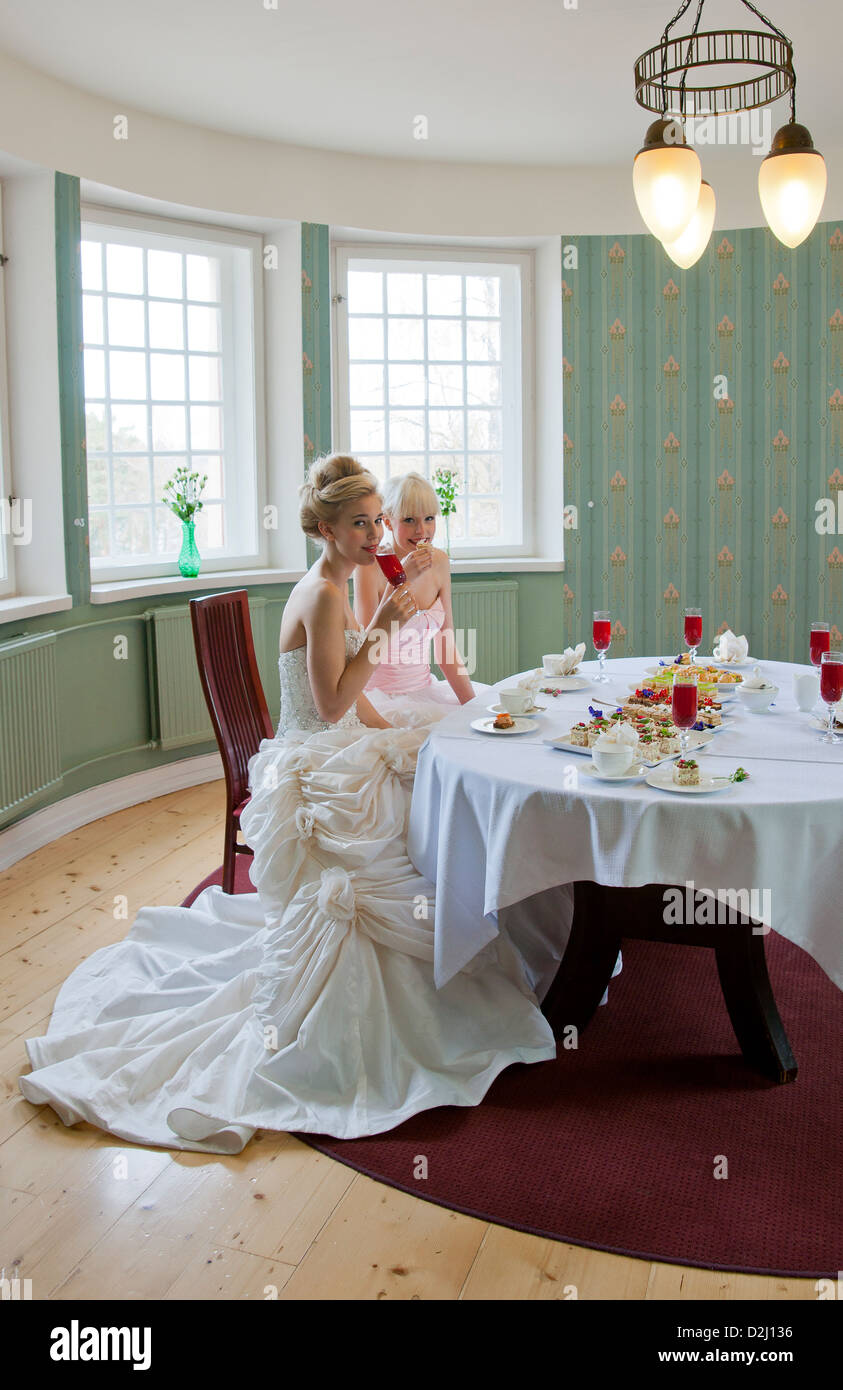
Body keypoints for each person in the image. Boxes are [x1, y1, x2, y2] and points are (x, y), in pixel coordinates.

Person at [18, 454, 558, 1154]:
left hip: (333, 739)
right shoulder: (329, 593)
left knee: (429, 769)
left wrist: (392, 722)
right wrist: (391, 628)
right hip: (317, 757)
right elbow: (329, 702)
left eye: (375, 521)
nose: (375, 535)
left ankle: (472, 938)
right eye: (359, 524)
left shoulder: (333, 583)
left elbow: (344, 692)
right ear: (326, 529)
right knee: (414, 810)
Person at [353, 471, 489, 723]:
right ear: (388, 522)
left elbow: (445, 646)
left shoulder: (439, 562)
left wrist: (473, 708)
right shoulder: (368, 566)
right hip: (379, 701)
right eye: (409, 520)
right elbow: (366, 648)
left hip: (427, 694)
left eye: (429, 518)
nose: (422, 530)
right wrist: (402, 577)